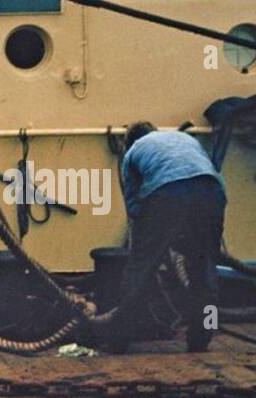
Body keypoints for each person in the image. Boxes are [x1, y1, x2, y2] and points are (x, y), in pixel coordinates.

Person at [95, 122, 227, 354]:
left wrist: (151, 233)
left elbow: (134, 206)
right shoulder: (185, 139)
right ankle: (204, 335)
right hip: (212, 192)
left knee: (140, 269)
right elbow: (204, 171)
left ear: (129, 142)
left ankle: (119, 339)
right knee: (205, 268)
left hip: (167, 194)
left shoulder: (133, 152)